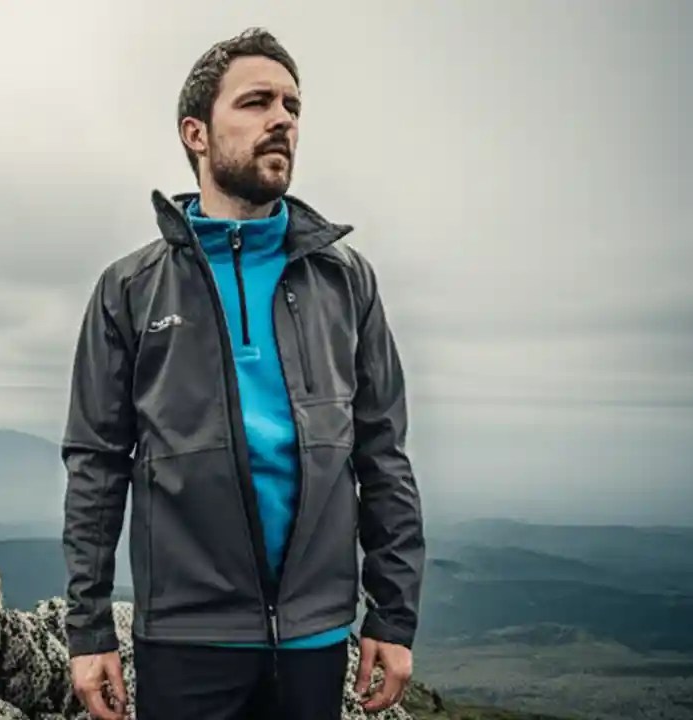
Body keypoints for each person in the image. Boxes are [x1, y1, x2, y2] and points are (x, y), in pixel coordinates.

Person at [60, 27, 426, 719]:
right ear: (195, 133)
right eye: (257, 101)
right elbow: (96, 465)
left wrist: (393, 616)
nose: (282, 119)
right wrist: (88, 629)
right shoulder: (131, 289)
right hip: (184, 635)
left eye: (292, 105)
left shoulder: (346, 283)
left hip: (316, 637)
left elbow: (383, 458)